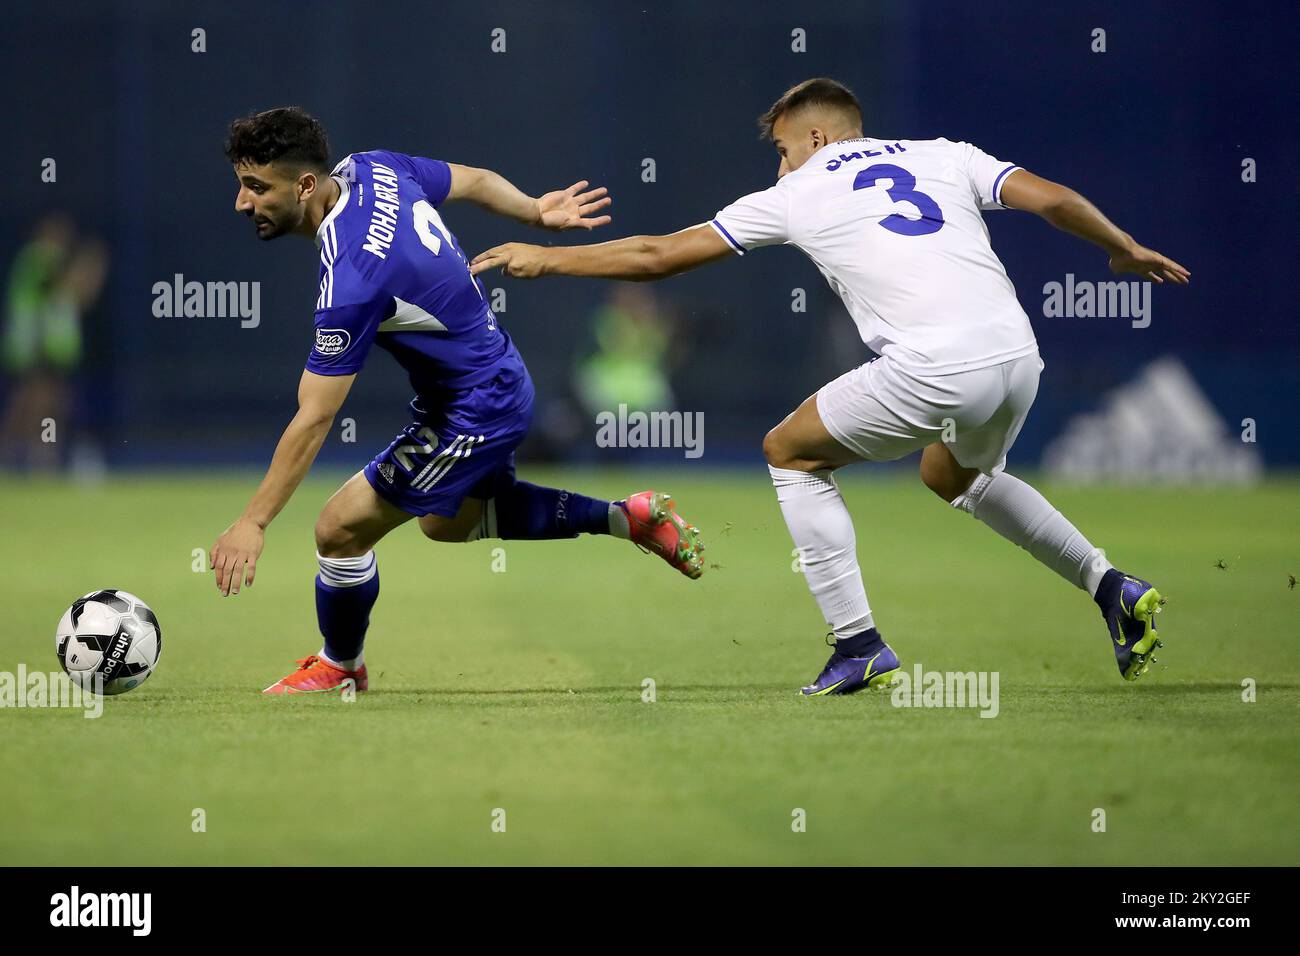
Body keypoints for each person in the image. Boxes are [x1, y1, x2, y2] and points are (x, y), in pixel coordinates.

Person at [469, 78, 1190, 695]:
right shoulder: (945, 156)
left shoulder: (806, 188)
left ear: (815, 137)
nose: (780, 167)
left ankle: (857, 644)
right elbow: (1052, 198)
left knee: (790, 450)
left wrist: (550, 258)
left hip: (934, 367)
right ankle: (1109, 587)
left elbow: (660, 255)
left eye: (782, 150)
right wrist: (1119, 247)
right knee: (952, 473)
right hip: (1016, 358)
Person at [209, 107, 704, 696]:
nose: (242, 202)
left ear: (307, 185)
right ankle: (632, 518)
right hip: (492, 379)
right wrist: (535, 210)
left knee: (338, 531)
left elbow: (316, 416)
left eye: (257, 186)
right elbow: (474, 178)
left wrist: (253, 521)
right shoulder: (374, 167)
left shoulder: (353, 278)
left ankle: (341, 665)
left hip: (476, 405)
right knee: (449, 524)